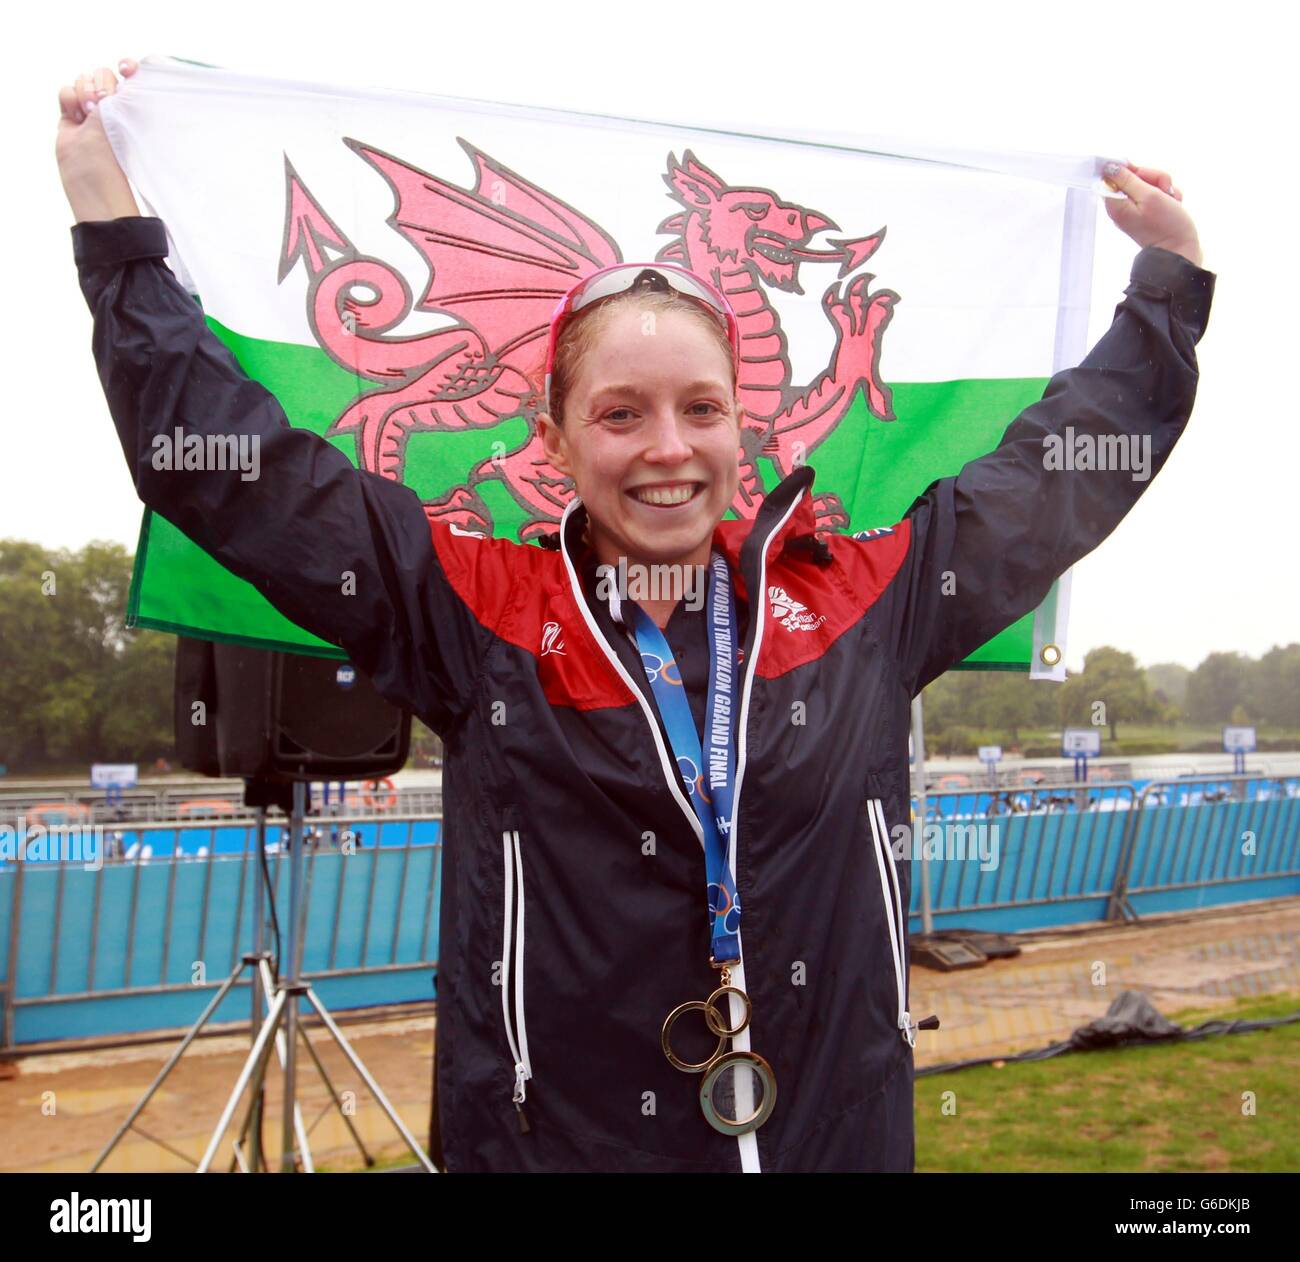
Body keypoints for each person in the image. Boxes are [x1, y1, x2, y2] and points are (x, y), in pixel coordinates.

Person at [57, 59, 1214, 1173]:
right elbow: (233, 472)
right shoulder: (474, 611)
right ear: (554, 443)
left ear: (742, 428)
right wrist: (115, 237)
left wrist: (1164, 294)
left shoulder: (862, 601)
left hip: (830, 1140)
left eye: (699, 407)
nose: (667, 448)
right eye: (620, 413)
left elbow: (1056, 480)